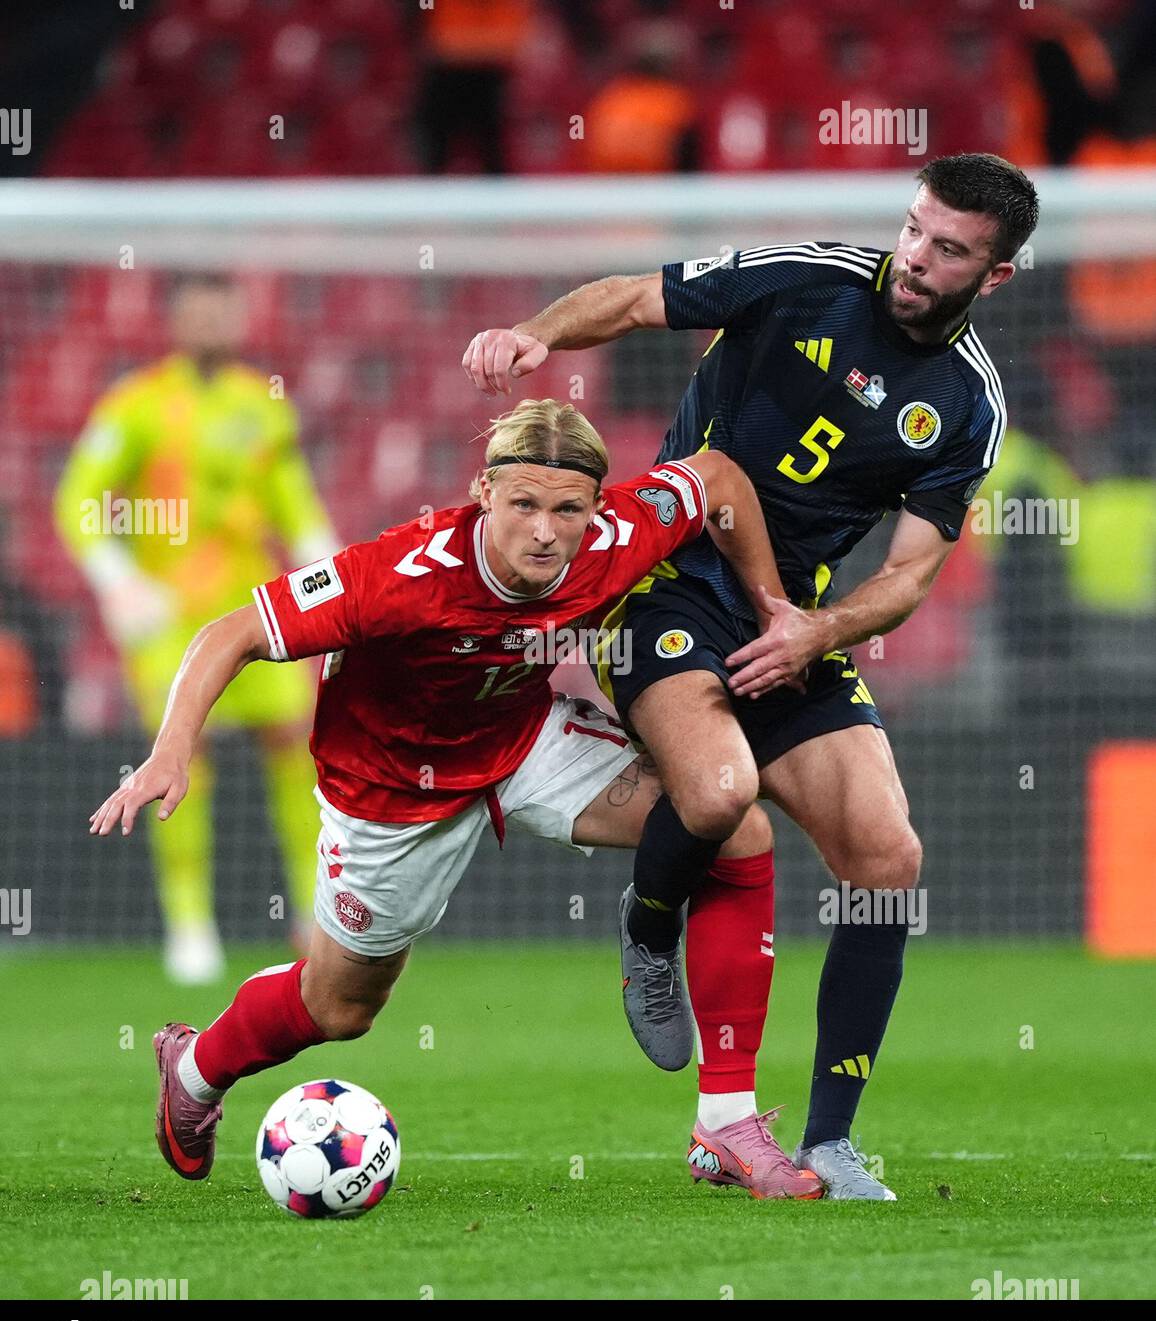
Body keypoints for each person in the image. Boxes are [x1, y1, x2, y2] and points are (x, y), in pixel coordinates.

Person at [462, 153, 1040, 1199]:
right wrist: (542, 333)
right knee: (723, 794)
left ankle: (826, 1139)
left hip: (789, 619)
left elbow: (910, 574)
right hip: (667, 584)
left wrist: (817, 630)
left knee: (886, 856)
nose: (915, 257)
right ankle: (646, 927)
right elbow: (637, 298)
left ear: (994, 275)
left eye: (948, 249)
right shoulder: (805, 273)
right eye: (913, 229)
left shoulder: (966, 405)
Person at [89, 399, 821, 1201]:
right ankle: (194, 1068)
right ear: (483, 493)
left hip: (522, 737)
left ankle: (726, 1121)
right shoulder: (400, 576)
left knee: (732, 824)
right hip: (391, 788)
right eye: (524, 506)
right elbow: (231, 632)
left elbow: (717, 478)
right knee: (341, 1008)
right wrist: (170, 750)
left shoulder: (617, 532)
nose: (545, 531)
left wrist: (776, 609)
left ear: (595, 508)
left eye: (568, 509)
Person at [56, 274, 336, 983]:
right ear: (176, 321)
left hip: (254, 611)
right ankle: (190, 923)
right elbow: (78, 501)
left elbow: (290, 499)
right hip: (171, 618)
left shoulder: (260, 405)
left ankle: (313, 909)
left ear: (239, 316)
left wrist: (322, 559)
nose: (212, 321)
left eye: (223, 308)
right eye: (198, 310)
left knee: (297, 743)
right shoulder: (138, 404)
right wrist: (119, 581)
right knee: (183, 759)